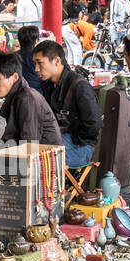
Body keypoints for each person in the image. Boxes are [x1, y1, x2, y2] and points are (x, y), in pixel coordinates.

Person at [34, 39, 102, 168]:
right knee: (27, 149)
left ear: (57, 61)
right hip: (58, 140)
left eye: (40, 63)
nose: (36, 69)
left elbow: (94, 124)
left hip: (81, 147)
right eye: (35, 64)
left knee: (38, 161)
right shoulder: (48, 85)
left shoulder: (80, 86)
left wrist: (71, 139)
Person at [0, 50, 61, 147]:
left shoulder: (26, 98)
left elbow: (29, 144)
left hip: (44, 158)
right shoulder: (18, 96)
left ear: (15, 77)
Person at [14, 24, 43, 92]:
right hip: (37, 93)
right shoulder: (39, 57)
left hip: (17, 92)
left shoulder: (13, 57)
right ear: (36, 41)